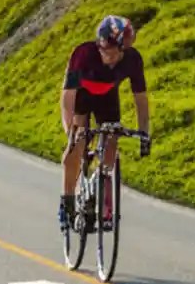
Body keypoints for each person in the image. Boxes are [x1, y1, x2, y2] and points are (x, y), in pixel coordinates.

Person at [59, 14, 151, 232]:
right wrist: (70, 132)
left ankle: (102, 191)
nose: (105, 56)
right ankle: (68, 204)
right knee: (77, 145)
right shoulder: (83, 54)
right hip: (81, 97)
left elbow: (141, 99)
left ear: (123, 50)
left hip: (107, 98)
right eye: (102, 49)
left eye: (111, 52)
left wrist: (144, 133)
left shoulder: (132, 59)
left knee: (112, 141)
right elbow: (67, 97)